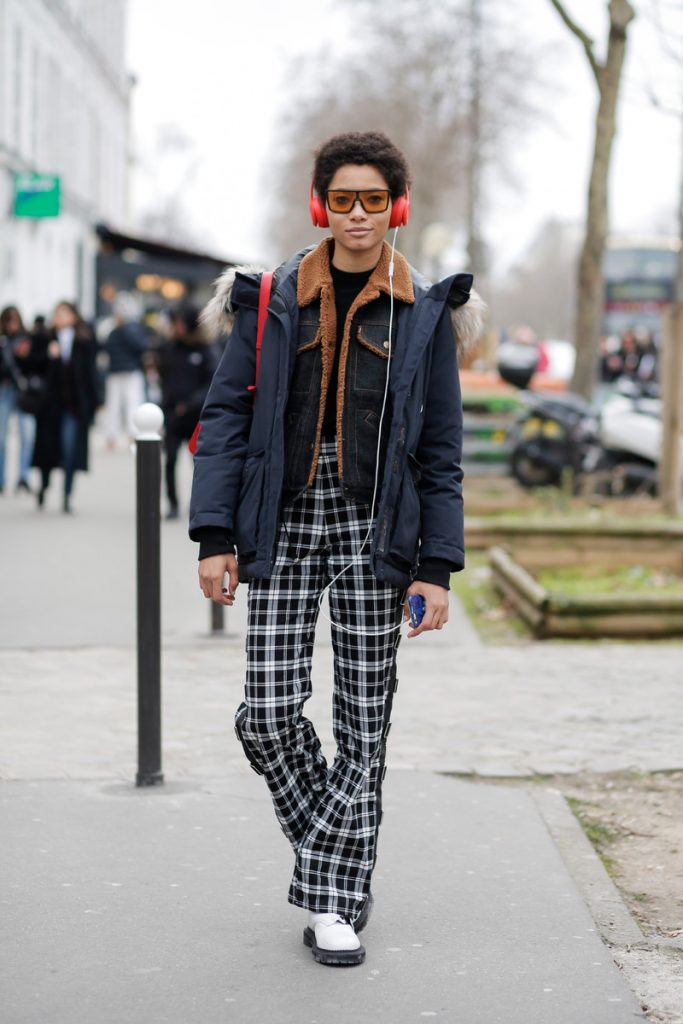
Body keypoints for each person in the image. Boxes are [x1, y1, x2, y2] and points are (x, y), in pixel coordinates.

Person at [189, 131, 484, 967]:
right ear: (321, 204)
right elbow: (224, 421)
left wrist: (436, 566)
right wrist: (215, 535)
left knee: (365, 722)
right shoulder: (270, 296)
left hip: (375, 529)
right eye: (343, 199)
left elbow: (440, 451)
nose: (358, 216)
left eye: (373, 200)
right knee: (268, 715)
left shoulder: (426, 310)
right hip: (279, 520)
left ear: (398, 205)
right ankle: (337, 848)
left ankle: (332, 900)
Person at [32, 300, 102, 513]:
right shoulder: (45, 338)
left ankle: (67, 494)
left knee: (70, 449)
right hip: (50, 406)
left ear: (73, 316)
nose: (59, 317)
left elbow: (91, 372)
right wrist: (48, 355)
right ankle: (44, 486)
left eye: (63, 313)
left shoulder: (84, 340)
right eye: (57, 313)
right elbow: (32, 365)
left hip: (73, 406)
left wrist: (97, 401)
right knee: (48, 450)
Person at [158, 303, 216, 519]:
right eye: (176, 323)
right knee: (170, 459)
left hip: (196, 417)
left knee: (197, 463)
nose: (179, 327)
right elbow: (164, 378)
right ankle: (172, 503)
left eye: (182, 323)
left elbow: (211, 382)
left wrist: (191, 403)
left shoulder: (205, 349)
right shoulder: (169, 348)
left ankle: (198, 506)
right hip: (172, 415)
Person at [0, 305, 39, 494]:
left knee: (27, 436)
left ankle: (23, 477)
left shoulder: (27, 340)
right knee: (1, 438)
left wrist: (23, 355)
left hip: (23, 391)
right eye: (9, 320)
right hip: (5, 389)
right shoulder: (3, 341)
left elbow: (35, 365)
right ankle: (1, 478)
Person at [103, 292, 148, 448]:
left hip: (130, 371)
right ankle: (112, 436)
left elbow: (140, 347)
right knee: (114, 405)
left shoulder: (131, 329)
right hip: (118, 371)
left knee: (132, 404)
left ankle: (132, 434)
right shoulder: (113, 329)